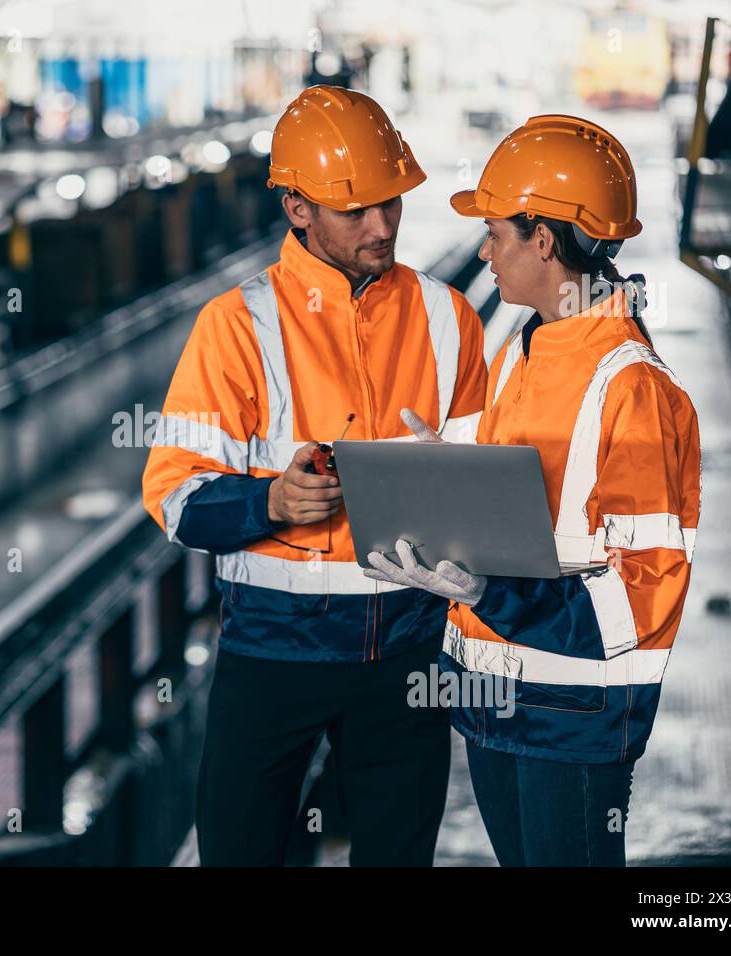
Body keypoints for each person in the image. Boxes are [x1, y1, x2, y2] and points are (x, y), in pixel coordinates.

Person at [141, 85, 487, 866]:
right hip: (274, 653)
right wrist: (271, 498)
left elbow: (480, 487)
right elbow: (174, 497)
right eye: (356, 210)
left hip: (407, 648)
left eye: (390, 203)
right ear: (297, 208)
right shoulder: (235, 327)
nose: (382, 226)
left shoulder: (447, 318)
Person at [363, 114, 701, 866]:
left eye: (495, 232)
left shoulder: (633, 387)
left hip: (572, 717)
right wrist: (440, 475)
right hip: (494, 700)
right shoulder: (526, 350)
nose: (484, 250)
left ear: (543, 241)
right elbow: (522, 505)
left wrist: (495, 596)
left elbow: (641, 595)